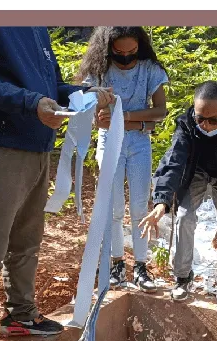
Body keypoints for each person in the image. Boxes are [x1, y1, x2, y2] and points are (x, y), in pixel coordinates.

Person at [0, 27, 115, 341]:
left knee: (26, 241)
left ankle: (21, 316)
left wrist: (83, 94)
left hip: (36, 146)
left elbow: (49, 89)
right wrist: (31, 103)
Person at [139, 81, 217, 301]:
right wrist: (161, 202)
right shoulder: (186, 124)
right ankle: (183, 278)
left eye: (214, 120)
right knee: (184, 217)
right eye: (201, 119)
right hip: (197, 172)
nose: (207, 126)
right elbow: (174, 161)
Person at [80, 27, 168, 292]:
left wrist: (124, 116)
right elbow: (86, 104)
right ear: (108, 48)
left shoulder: (150, 69)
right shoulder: (99, 69)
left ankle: (141, 266)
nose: (127, 58)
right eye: (120, 53)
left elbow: (160, 110)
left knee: (141, 208)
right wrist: (96, 112)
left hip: (140, 143)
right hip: (110, 143)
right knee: (114, 208)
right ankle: (117, 263)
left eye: (132, 52)